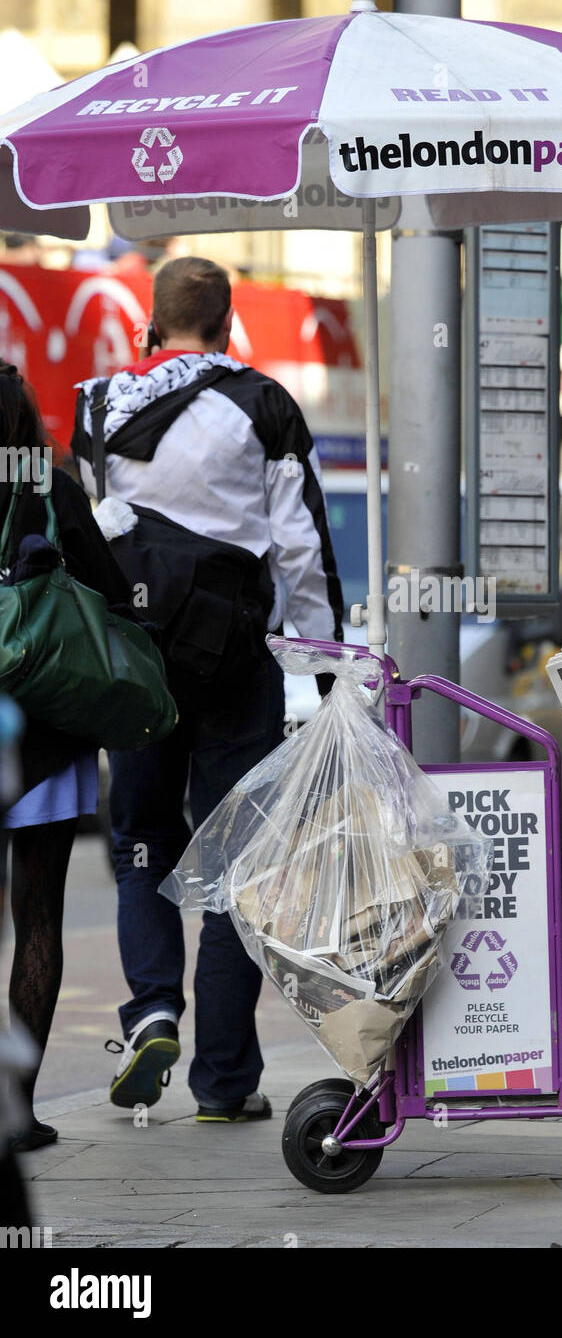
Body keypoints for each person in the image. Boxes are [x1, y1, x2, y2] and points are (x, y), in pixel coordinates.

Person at [73, 257, 343, 1124]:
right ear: (228, 325)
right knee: (230, 865)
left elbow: (89, 536)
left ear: (149, 324)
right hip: (235, 663)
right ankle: (224, 1085)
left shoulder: (93, 405)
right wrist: (327, 666)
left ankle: (152, 1009)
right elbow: (300, 549)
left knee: (142, 845)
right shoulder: (260, 404)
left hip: (133, 665)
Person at [0, 361, 135, 1151]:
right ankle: (15, 1111)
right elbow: (112, 600)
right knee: (38, 918)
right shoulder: (53, 491)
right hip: (46, 734)